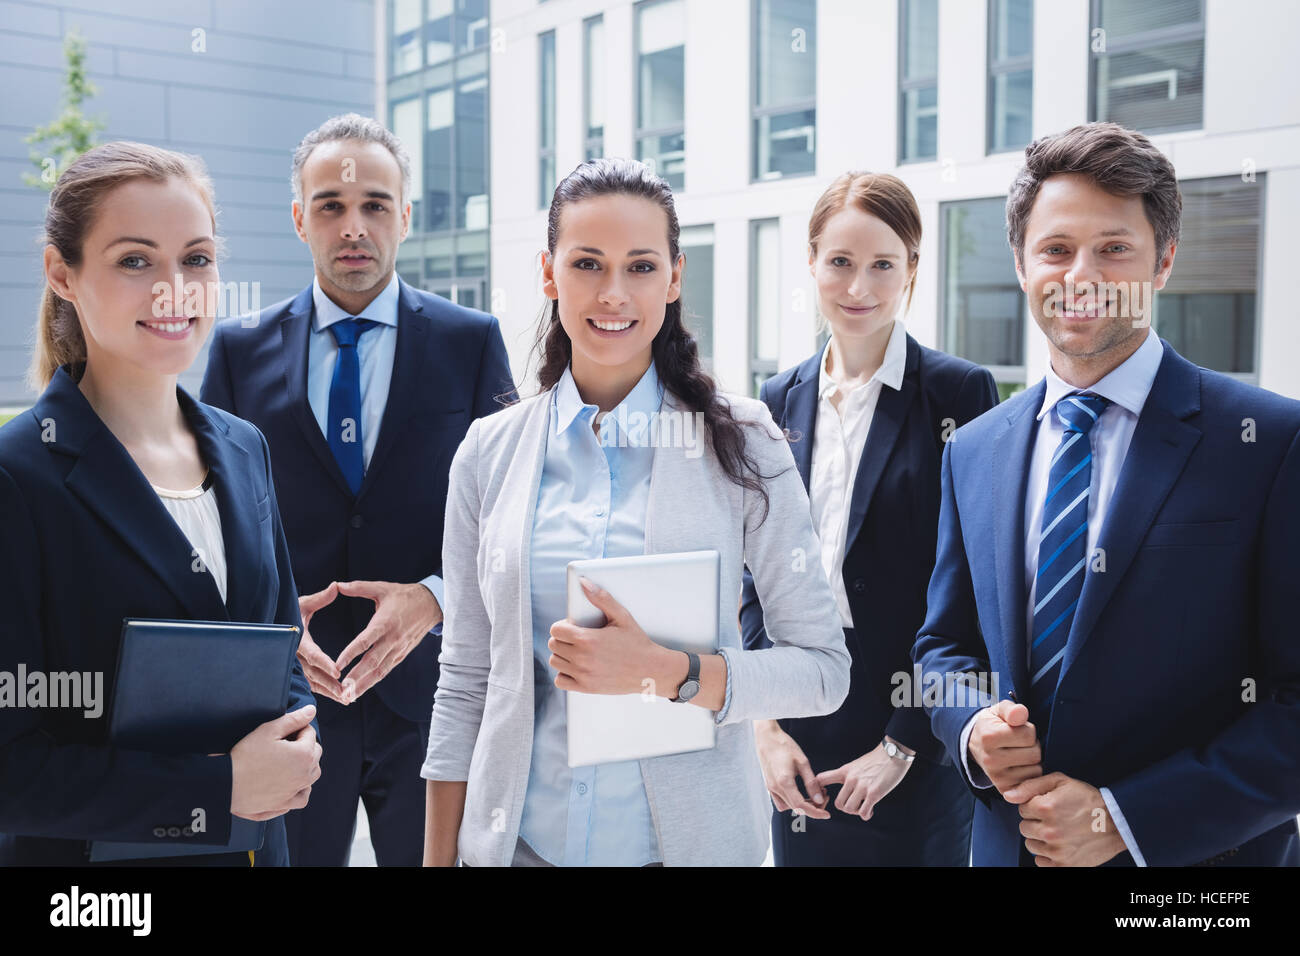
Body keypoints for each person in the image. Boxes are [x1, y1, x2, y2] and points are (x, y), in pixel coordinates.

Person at [421, 157, 851, 867]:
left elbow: (822, 671)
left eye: (641, 267)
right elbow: (465, 677)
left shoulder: (743, 442)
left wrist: (671, 672)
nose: (613, 293)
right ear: (549, 273)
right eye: (587, 263)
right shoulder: (487, 453)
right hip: (516, 849)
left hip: (683, 850)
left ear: (675, 277)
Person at [913, 121, 1300, 867]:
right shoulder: (975, 448)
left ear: (1164, 261)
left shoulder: (1271, 441)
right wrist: (972, 730)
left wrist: (1126, 818)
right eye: (1056, 249)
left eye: (1114, 248)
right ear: (1024, 264)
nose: (1082, 274)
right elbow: (942, 647)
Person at [200, 114, 515, 866]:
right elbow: (209, 524)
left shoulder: (470, 341)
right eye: (332, 206)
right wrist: (270, 629)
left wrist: (434, 597)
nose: (354, 226)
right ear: (299, 218)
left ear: (404, 217)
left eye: (375, 204)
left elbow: (510, 518)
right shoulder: (238, 351)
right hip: (289, 702)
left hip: (436, 694)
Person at [0, 141, 321, 866]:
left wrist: (299, 741)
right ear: (63, 274)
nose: (174, 289)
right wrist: (216, 787)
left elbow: (278, 648)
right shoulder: (19, 477)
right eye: (135, 261)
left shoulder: (244, 450)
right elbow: (11, 765)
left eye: (197, 259)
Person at [740, 172, 997, 866]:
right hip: (797, 729)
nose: (860, 287)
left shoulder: (957, 391)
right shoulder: (777, 398)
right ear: (813, 263)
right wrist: (763, 724)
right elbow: (755, 575)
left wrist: (902, 744)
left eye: (883, 264)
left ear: (913, 267)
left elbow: (970, 587)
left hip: (907, 734)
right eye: (841, 263)